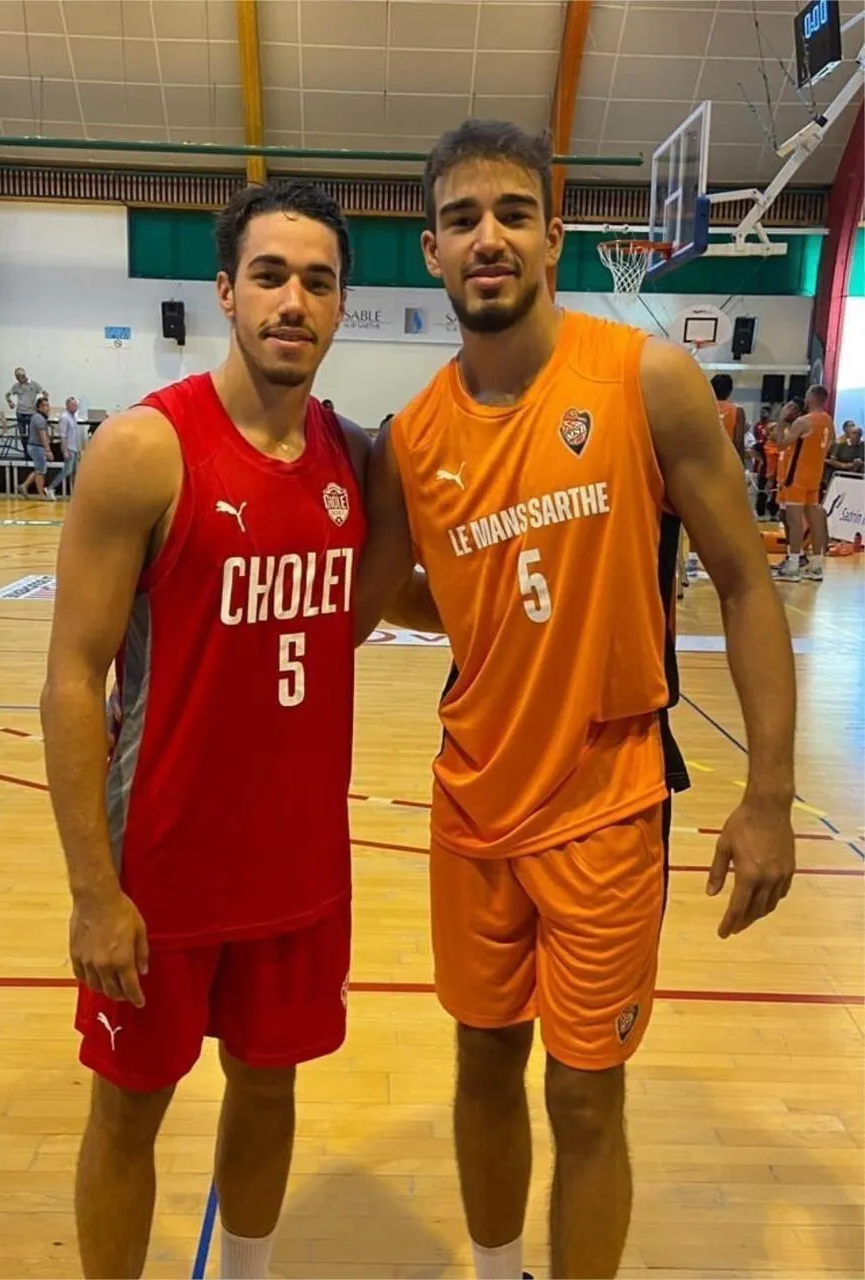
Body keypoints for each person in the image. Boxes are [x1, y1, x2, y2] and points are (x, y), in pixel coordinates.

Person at [356, 119, 797, 1280]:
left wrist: (769, 794)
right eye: (461, 219)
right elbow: (386, 591)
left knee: (586, 1098)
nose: (486, 237)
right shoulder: (411, 437)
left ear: (554, 235)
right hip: (473, 804)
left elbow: (749, 584)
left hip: (607, 805)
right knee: (481, 1064)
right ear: (432, 252)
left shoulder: (643, 377)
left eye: (509, 212)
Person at [41, 179, 432, 1280]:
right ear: (224, 291)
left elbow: (375, 607)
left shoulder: (356, 462)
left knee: (271, 1087)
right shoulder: (145, 450)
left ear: (342, 304)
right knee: (129, 1108)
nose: (291, 300)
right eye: (268, 275)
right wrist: (91, 891)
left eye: (317, 280)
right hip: (159, 869)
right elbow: (71, 679)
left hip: (299, 867)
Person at [772, 386, 834, 582]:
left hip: (796, 477)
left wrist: (781, 420)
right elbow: (829, 443)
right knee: (814, 520)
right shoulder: (827, 420)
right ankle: (816, 566)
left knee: (794, 521)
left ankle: (792, 566)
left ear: (811, 397)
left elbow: (781, 444)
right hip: (815, 476)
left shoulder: (803, 421)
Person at [18, 395, 55, 499]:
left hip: (35, 447)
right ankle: (41, 494)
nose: (47, 408)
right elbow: (43, 436)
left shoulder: (39, 418)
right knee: (40, 471)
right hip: (36, 447)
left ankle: (24, 486)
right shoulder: (39, 419)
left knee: (39, 469)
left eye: (48, 405)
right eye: (44, 406)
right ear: (39, 408)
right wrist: (48, 451)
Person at [6, 367, 45, 461]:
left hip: (32, 412)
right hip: (20, 412)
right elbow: (8, 394)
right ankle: (26, 453)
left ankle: (33, 453)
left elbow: (44, 393)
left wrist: (40, 404)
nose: (19, 379)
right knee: (23, 434)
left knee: (33, 434)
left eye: (20, 376)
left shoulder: (34, 384)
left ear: (24, 375)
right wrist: (10, 401)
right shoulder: (16, 386)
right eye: (17, 377)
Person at [48, 396, 81, 496]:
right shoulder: (64, 417)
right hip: (69, 448)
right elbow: (63, 435)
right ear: (67, 405)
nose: (75, 407)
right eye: (73, 405)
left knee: (75, 472)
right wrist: (65, 450)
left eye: (76, 405)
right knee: (67, 470)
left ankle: (75, 493)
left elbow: (75, 434)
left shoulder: (73, 417)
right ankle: (51, 487)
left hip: (74, 448)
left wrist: (78, 449)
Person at [711, 373, 747, 463]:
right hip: (727, 459)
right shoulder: (738, 411)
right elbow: (738, 442)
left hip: (708, 458)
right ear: (730, 390)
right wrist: (741, 465)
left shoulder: (704, 408)